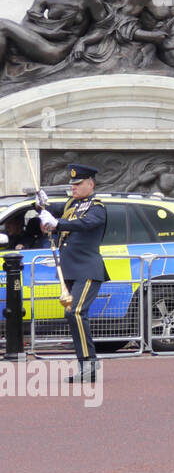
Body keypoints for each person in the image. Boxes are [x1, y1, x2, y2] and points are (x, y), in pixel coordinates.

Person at [37, 163, 108, 383]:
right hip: (70, 269)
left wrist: (57, 223)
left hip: (87, 269)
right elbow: (51, 215)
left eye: (78, 184)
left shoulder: (97, 207)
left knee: (75, 312)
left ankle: (90, 365)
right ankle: (86, 365)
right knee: (72, 315)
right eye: (73, 184)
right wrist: (40, 204)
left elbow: (85, 224)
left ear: (90, 184)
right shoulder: (71, 204)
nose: (74, 188)